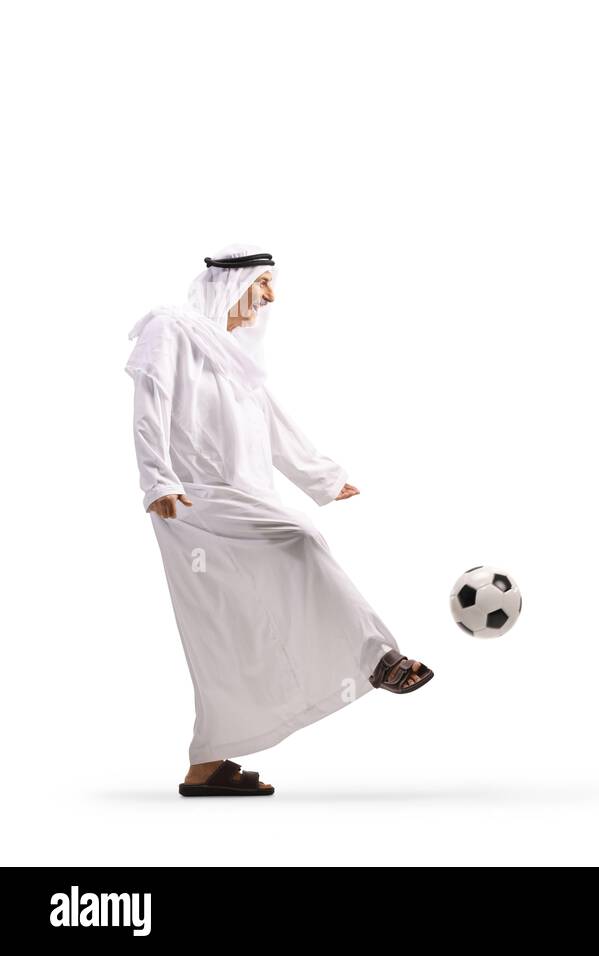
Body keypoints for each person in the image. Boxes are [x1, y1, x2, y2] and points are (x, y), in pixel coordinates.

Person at [127, 243, 433, 797]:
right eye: (264, 283)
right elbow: (150, 400)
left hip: (240, 495)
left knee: (228, 629)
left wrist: (322, 476)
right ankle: (377, 655)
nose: (271, 296)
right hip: (191, 499)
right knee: (301, 536)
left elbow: (274, 424)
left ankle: (207, 765)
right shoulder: (170, 330)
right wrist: (158, 480)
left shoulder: (234, 356)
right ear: (233, 282)